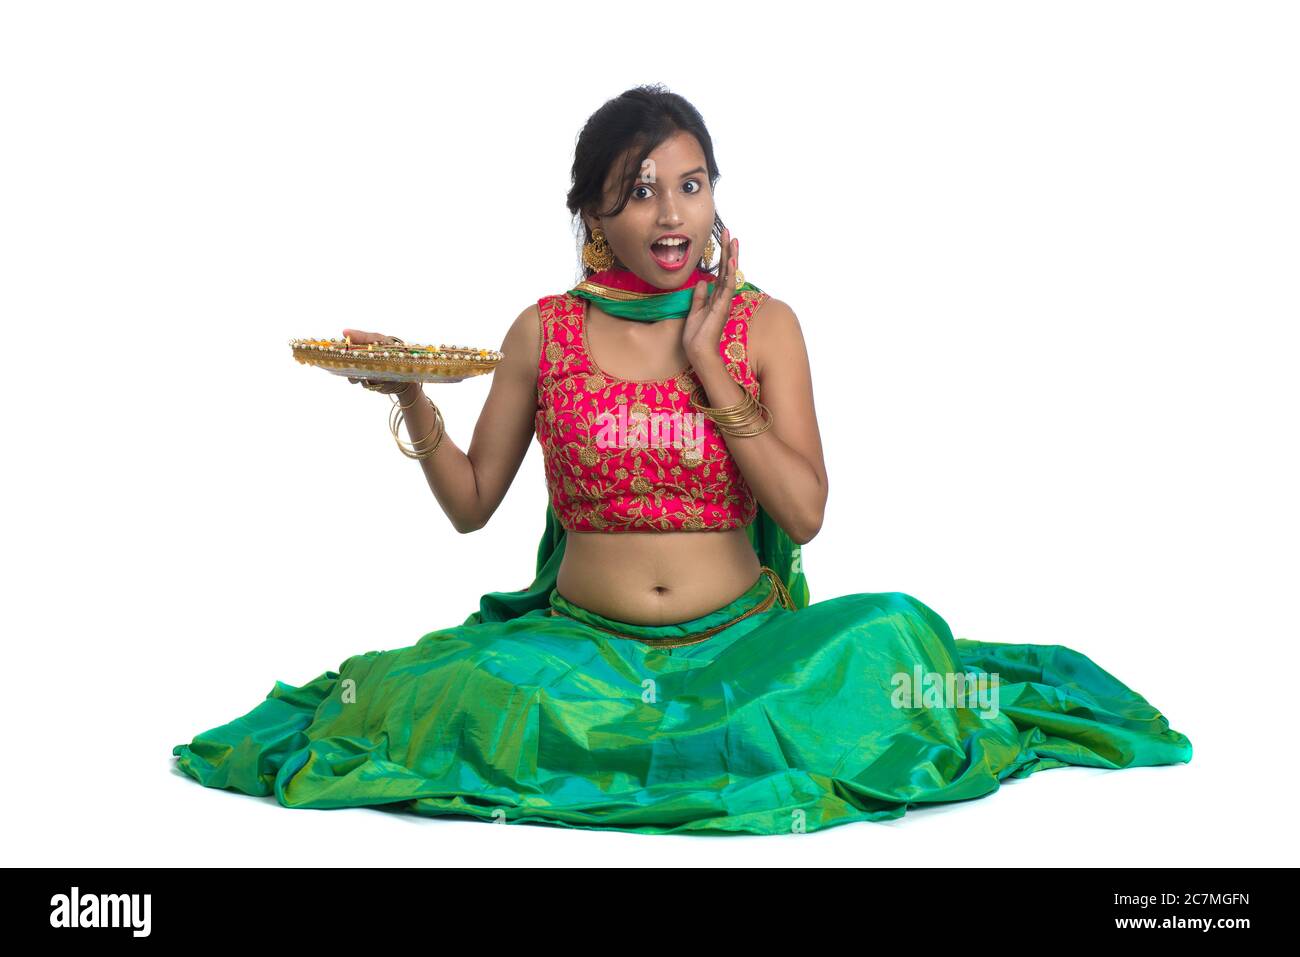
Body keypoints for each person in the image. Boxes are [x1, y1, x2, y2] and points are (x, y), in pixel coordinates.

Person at [172, 85, 1192, 836]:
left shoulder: (765, 326)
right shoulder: (543, 332)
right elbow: (474, 506)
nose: (670, 215)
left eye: (690, 186)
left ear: (715, 198)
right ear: (591, 215)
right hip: (575, 649)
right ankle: (632, 729)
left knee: (889, 639)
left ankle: (704, 724)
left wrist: (710, 368)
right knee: (446, 696)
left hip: (740, 645)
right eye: (640, 191)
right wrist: (410, 400)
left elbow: (802, 517)